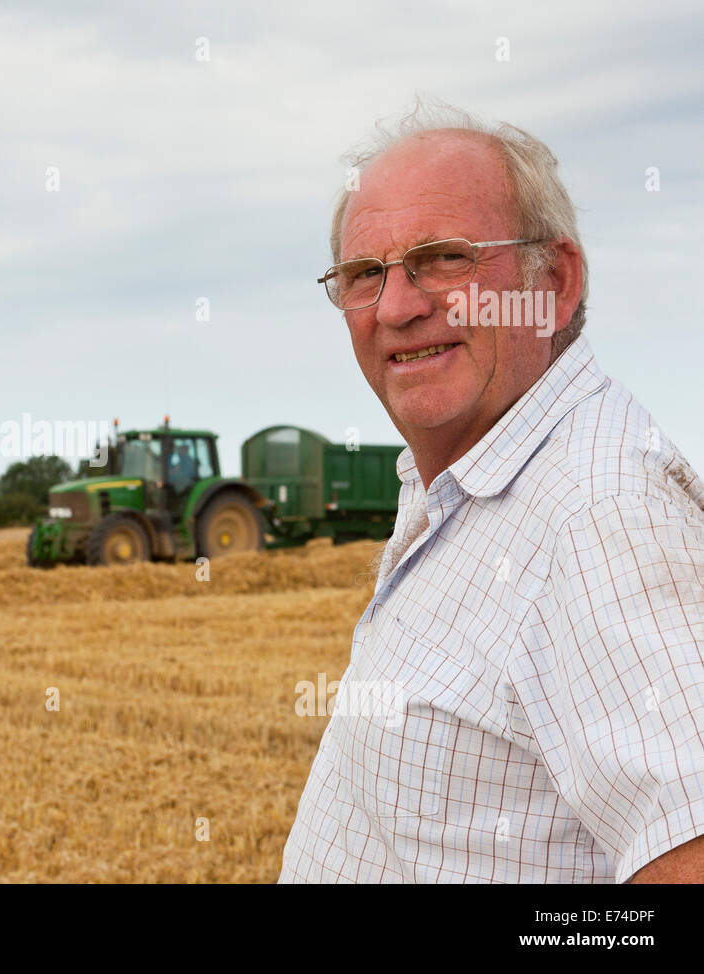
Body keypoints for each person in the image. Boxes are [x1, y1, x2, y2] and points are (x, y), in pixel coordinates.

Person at [279, 104, 704, 883]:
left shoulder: (600, 517)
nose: (398, 307)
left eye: (444, 259)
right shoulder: (466, 476)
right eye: (365, 274)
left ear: (557, 281)